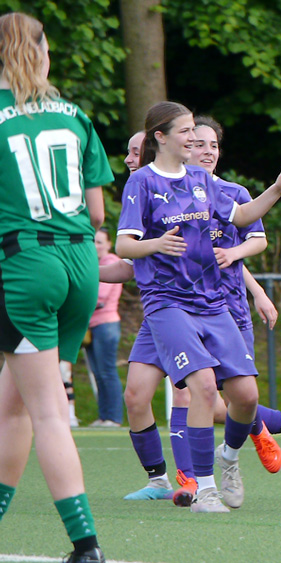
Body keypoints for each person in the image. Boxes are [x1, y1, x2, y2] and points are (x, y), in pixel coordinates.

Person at [111, 119, 281, 509]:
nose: (199, 143)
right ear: (163, 139)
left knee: (237, 396)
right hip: (166, 305)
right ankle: (188, 484)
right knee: (170, 392)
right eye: (190, 134)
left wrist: (276, 190)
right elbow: (127, 254)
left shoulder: (205, 184)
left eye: (208, 141)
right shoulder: (141, 185)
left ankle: (247, 447)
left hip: (213, 304)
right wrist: (84, 267)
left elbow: (240, 227)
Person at [0, 12, 111, 562]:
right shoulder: (74, 115)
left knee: (45, 411)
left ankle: (86, 544)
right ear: (44, 51)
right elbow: (97, 213)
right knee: (15, 404)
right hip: (81, 264)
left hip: (26, 264)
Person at [85, 227, 123, 427]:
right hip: (92, 325)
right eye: (93, 241)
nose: (95, 245)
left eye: (100, 241)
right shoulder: (94, 264)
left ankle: (114, 418)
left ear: (109, 244)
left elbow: (100, 295)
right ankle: (104, 416)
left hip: (106, 325)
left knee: (107, 371)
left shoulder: (111, 263)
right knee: (98, 373)